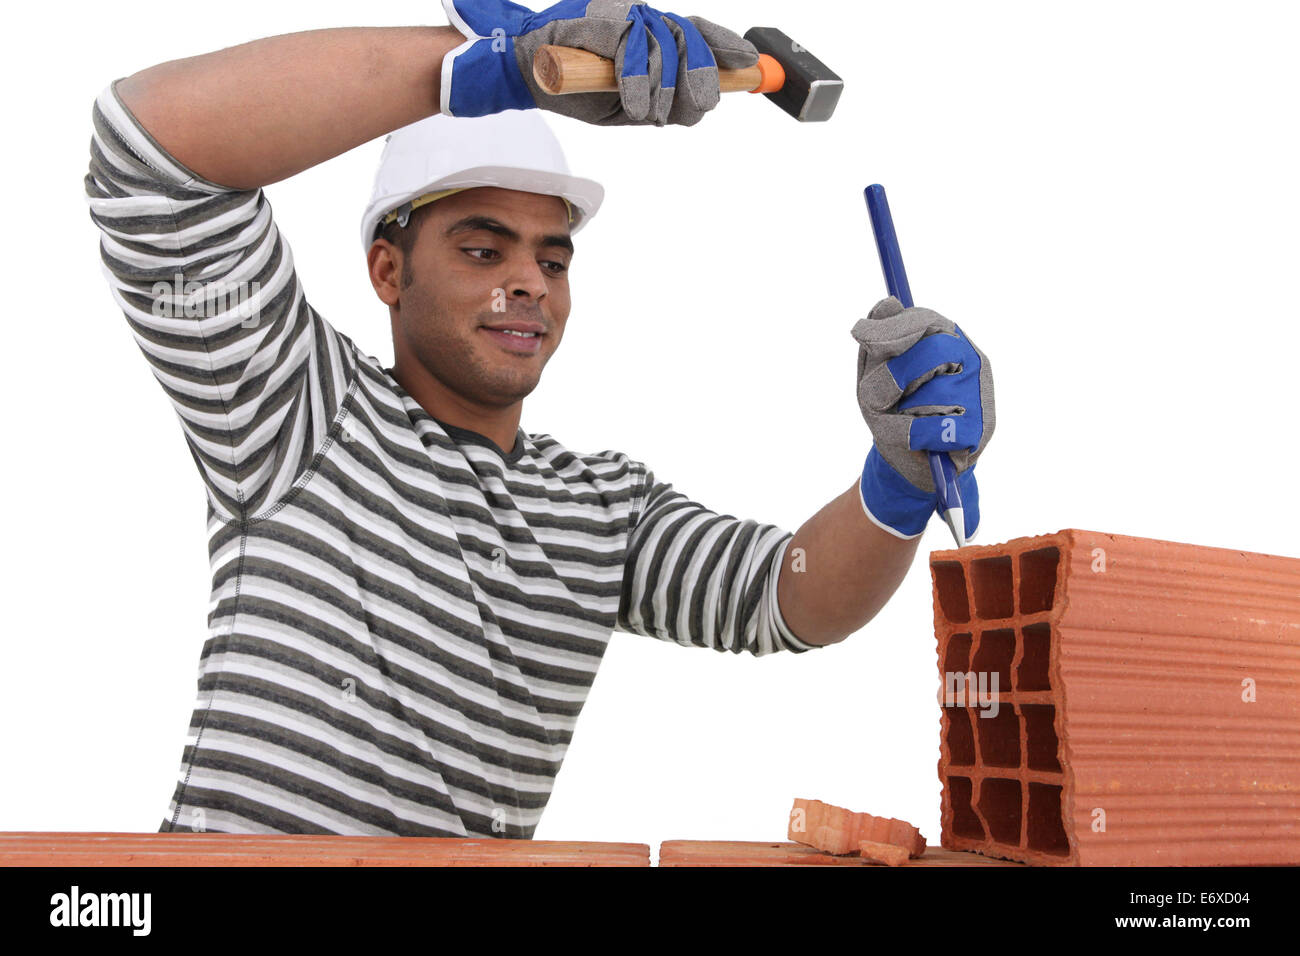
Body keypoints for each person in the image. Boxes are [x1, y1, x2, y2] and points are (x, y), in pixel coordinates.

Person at [84, 0, 995, 837]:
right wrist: (480, 68)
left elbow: (785, 598)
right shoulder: (295, 409)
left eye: (552, 261)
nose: (526, 282)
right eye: (482, 248)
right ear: (387, 274)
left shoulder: (604, 510)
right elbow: (146, 149)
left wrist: (897, 485)